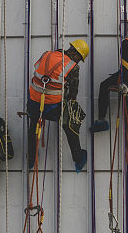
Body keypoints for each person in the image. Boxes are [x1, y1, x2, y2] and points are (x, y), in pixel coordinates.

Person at [27, 39, 89, 172]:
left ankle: (31, 159)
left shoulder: (47, 54)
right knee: (70, 122)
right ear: (77, 55)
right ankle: (78, 158)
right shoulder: (73, 66)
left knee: (34, 125)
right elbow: (73, 93)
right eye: (79, 59)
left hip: (33, 103)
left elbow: (38, 68)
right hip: (52, 107)